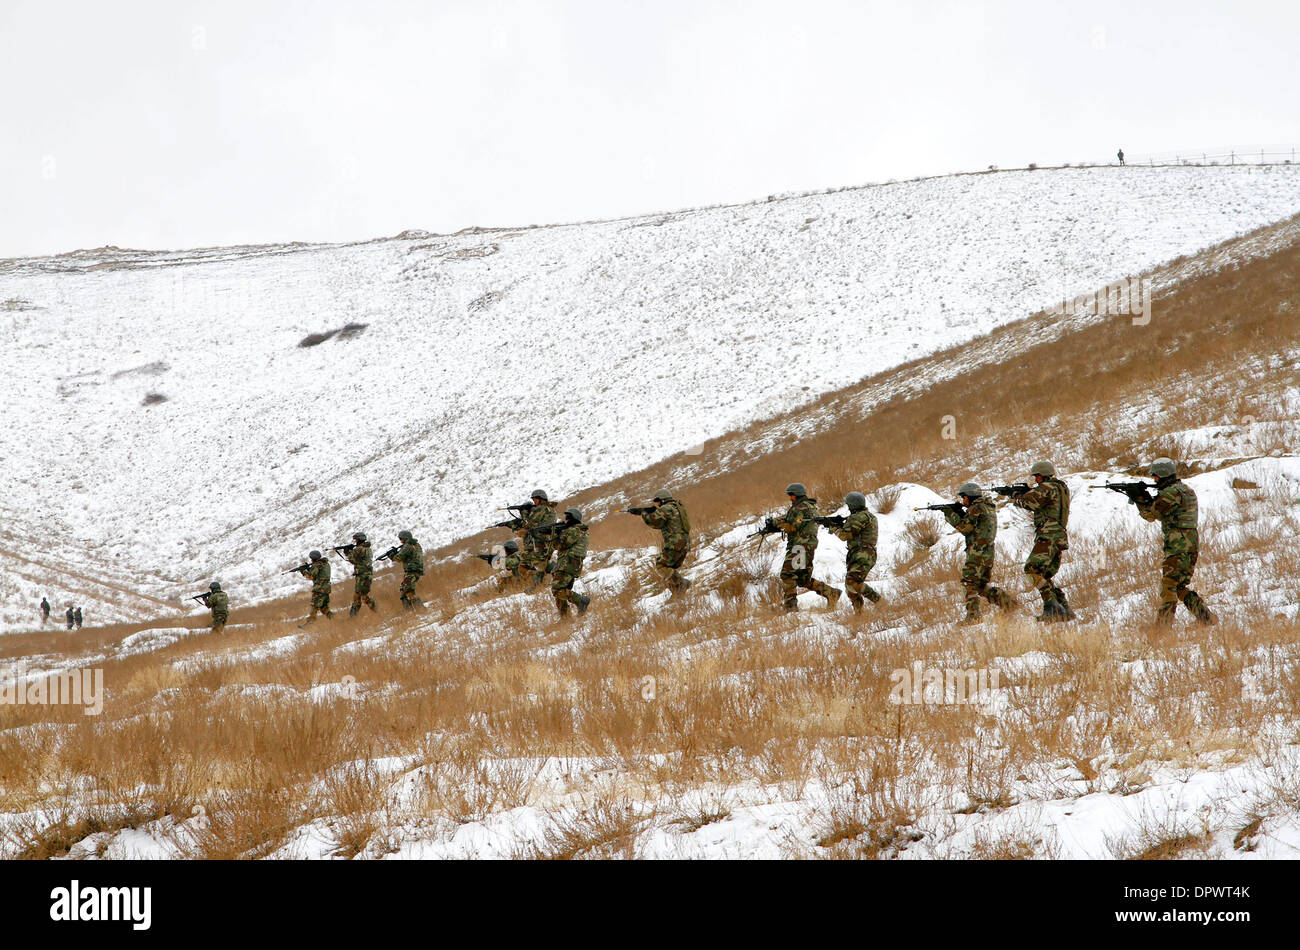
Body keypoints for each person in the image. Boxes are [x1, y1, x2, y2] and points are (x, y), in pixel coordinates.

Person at [1131, 458, 1215, 625]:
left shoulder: (1171, 493)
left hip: (1178, 545)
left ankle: (1163, 627)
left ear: (1162, 475)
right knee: (1179, 585)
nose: (1154, 480)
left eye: (1155, 477)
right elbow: (1162, 510)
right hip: (1189, 543)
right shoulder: (1185, 490)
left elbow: (1150, 514)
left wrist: (1138, 498)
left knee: (1168, 585)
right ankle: (1205, 617)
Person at [941, 482, 1016, 625]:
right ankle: (1008, 603)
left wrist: (950, 514)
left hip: (977, 553)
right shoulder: (987, 506)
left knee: (969, 583)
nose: (963, 501)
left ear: (970, 496)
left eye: (964, 498)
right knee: (980, 585)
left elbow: (965, 528)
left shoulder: (976, 508)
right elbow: (975, 524)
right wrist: (960, 512)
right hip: (988, 553)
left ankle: (973, 616)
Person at [1011, 461, 1075, 622]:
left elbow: (1028, 502)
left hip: (1048, 536)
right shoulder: (1061, 488)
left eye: (1037, 476)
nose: (1036, 480)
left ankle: (1051, 608)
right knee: (1044, 574)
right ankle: (1063, 609)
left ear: (1041, 475)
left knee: (1032, 570)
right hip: (1058, 536)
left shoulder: (1047, 488)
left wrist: (1016, 496)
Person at [774, 483, 840, 612]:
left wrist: (778, 524)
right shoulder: (809, 507)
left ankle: (790, 607)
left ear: (796, 495)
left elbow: (793, 526)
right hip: (807, 545)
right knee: (802, 578)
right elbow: (793, 520)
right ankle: (831, 593)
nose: (790, 498)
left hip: (800, 546)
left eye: (791, 495)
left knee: (788, 574)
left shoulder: (800, 508)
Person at [829, 492, 881, 612]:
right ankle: (859, 613)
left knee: (853, 583)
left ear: (853, 505)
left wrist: (833, 527)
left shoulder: (859, 517)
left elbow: (844, 535)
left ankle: (879, 601)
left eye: (849, 505)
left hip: (862, 554)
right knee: (850, 585)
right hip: (861, 553)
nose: (848, 507)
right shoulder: (867, 516)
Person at [636, 489, 692, 595]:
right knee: (669, 569)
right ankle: (677, 594)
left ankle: (682, 583)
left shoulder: (666, 508)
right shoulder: (677, 507)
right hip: (684, 544)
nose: (656, 504)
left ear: (661, 500)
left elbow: (655, 523)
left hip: (674, 544)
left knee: (661, 566)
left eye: (657, 501)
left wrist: (643, 513)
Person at [550, 508, 591, 617]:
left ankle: (581, 600)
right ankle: (565, 618)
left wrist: (557, 533)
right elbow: (556, 546)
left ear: (574, 519)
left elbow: (561, 544)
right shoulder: (577, 530)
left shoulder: (574, 530)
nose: (566, 520)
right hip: (569, 564)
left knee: (557, 589)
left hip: (567, 564)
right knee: (561, 591)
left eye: (568, 518)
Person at [518, 489, 557, 590]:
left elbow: (529, 523)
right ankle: (538, 582)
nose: (534, 502)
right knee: (531, 561)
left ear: (541, 499)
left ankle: (556, 573)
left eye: (535, 499)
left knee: (539, 562)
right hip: (540, 539)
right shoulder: (547, 508)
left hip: (542, 540)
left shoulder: (542, 508)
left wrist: (524, 512)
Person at [343, 532, 377, 617]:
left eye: (356, 540)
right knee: (362, 595)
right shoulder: (367, 548)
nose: (355, 541)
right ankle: (375, 611)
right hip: (366, 574)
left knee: (358, 595)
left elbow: (353, 560)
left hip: (362, 575)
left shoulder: (359, 549)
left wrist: (347, 553)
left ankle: (353, 617)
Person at [392, 530, 425, 610]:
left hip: (411, 571)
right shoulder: (416, 545)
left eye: (401, 539)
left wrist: (392, 555)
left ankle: (417, 609)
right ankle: (413, 609)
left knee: (406, 590)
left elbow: (398, 558)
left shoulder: (407, 546)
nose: (400, 541)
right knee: (407, 590)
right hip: (416, 570)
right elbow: (409, 556)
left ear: (406, 538)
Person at [299, 550, 332, 626]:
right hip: (327, 588)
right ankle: (335, 619)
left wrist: (303, 571)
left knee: (314, 606)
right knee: (324, 607)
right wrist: (309, 569)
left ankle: (308, 625)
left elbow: (310, 576)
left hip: (319, 589)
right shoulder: (326, 564)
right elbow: (319, 574)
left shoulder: (316, 565)